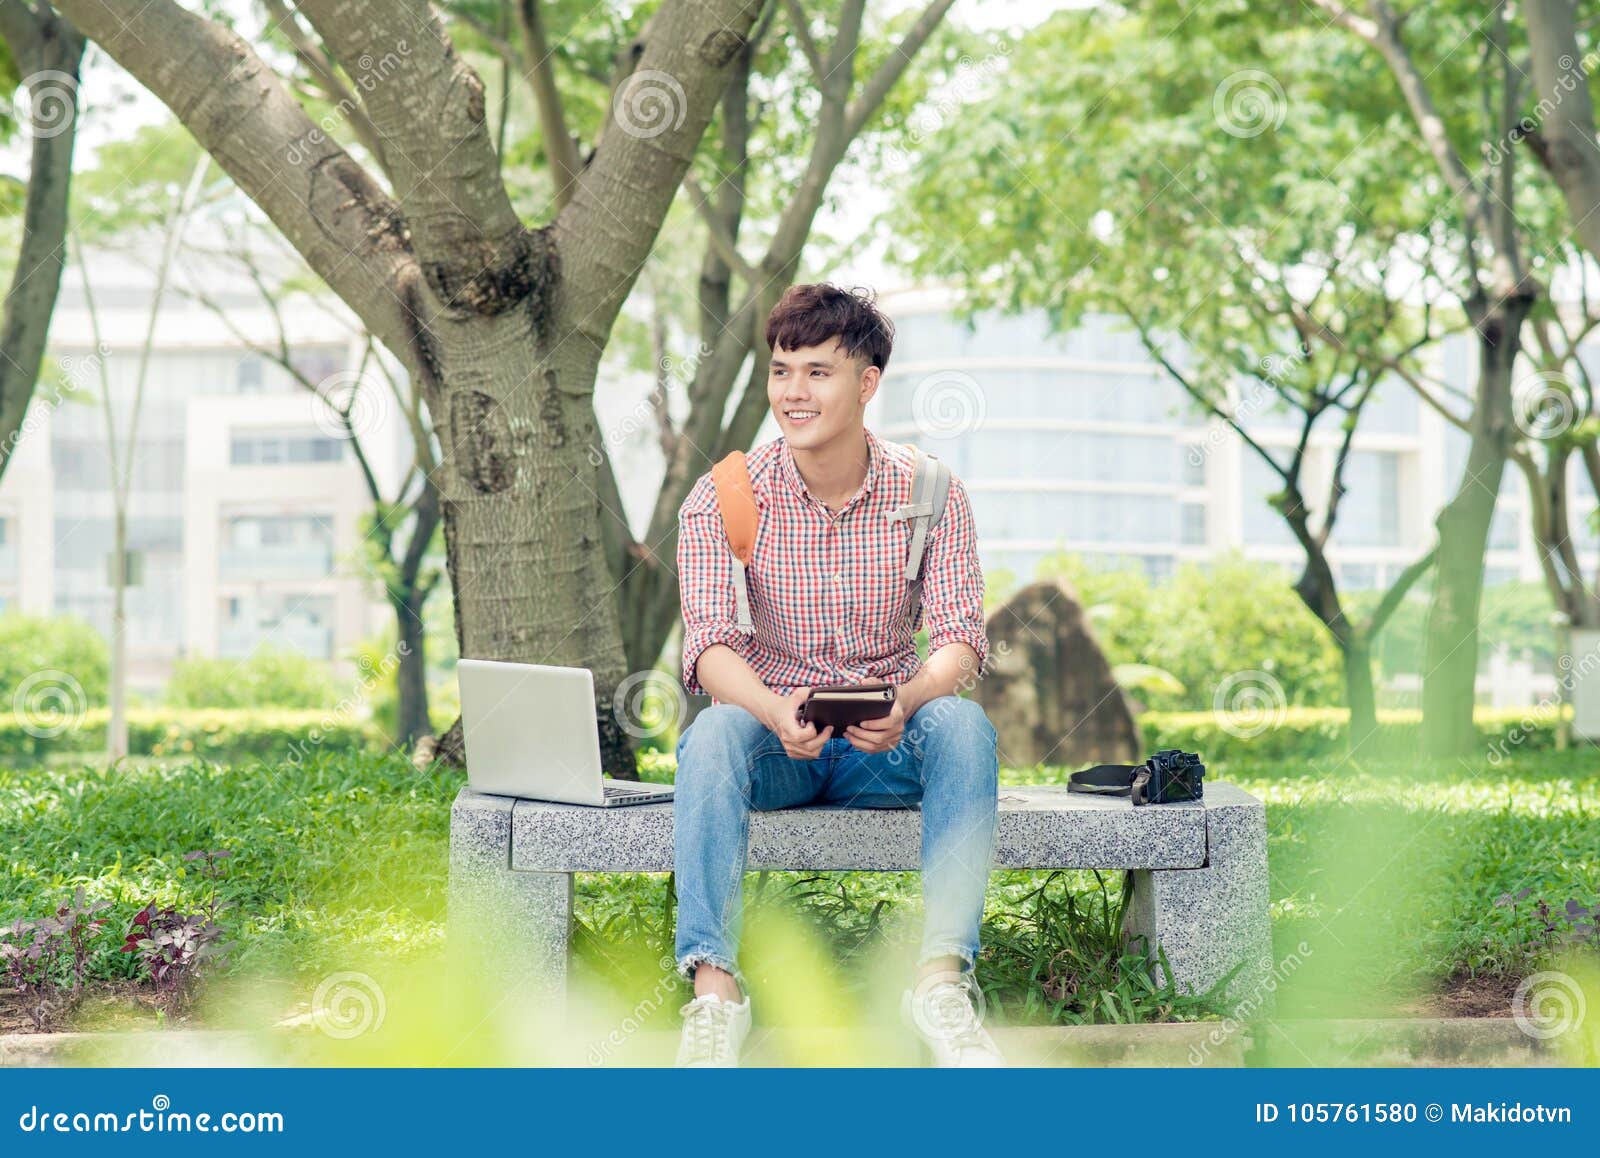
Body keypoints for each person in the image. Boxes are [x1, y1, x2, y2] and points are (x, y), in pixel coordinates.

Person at [671, 282, 1002, 1068]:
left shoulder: (932, 494)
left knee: (962, 724)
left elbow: (959, 639)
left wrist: (909, 696)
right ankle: (716, 998)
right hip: (773, 740)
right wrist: (772, 708)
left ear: (868, 382)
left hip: (887, 743)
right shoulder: (727, 494)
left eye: (818, 372)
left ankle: (940, 984)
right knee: (715, 731)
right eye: (782, 370)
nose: (794, 391)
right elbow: (711, 645)